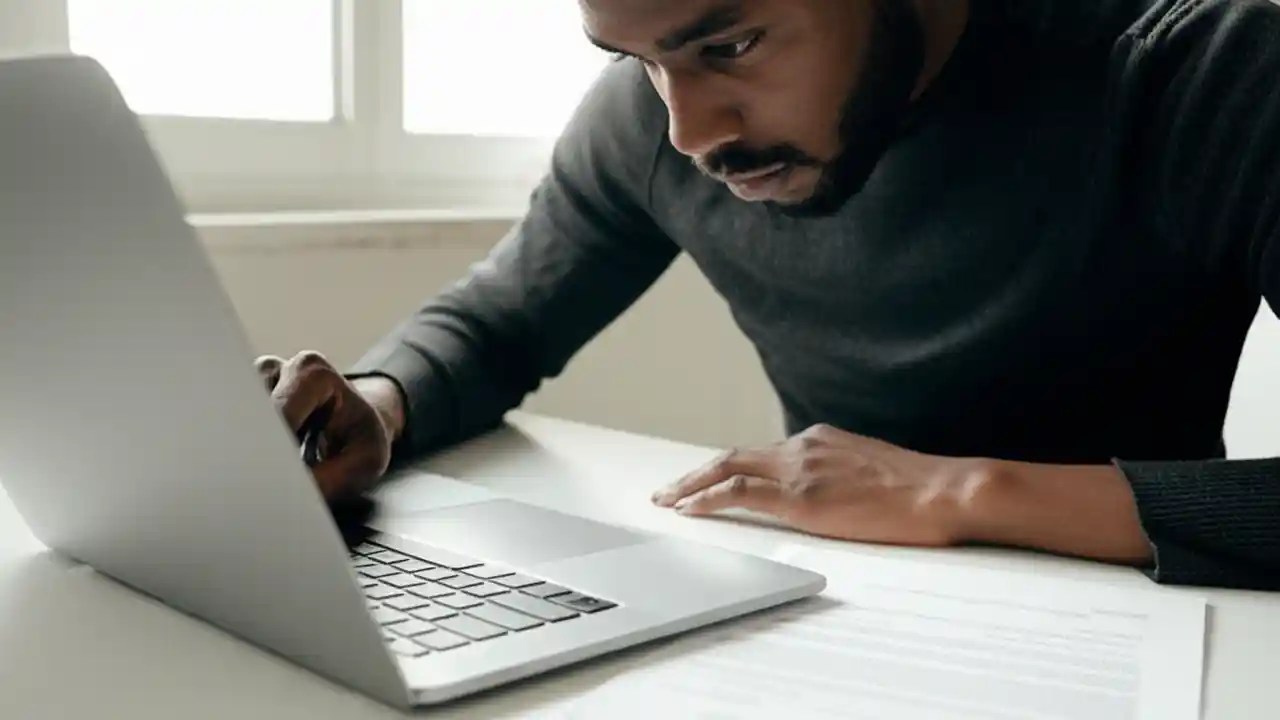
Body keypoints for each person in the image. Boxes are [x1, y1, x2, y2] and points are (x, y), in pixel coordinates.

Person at [256, 0, 1280, 590]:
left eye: (729, 44)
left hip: (1154, 625)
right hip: (830, 609)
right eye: (638, 60)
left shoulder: (1201, 72)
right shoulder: (644, 124)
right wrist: (374, 402)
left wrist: (958, 491)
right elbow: (495, 323)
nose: (690, 134)